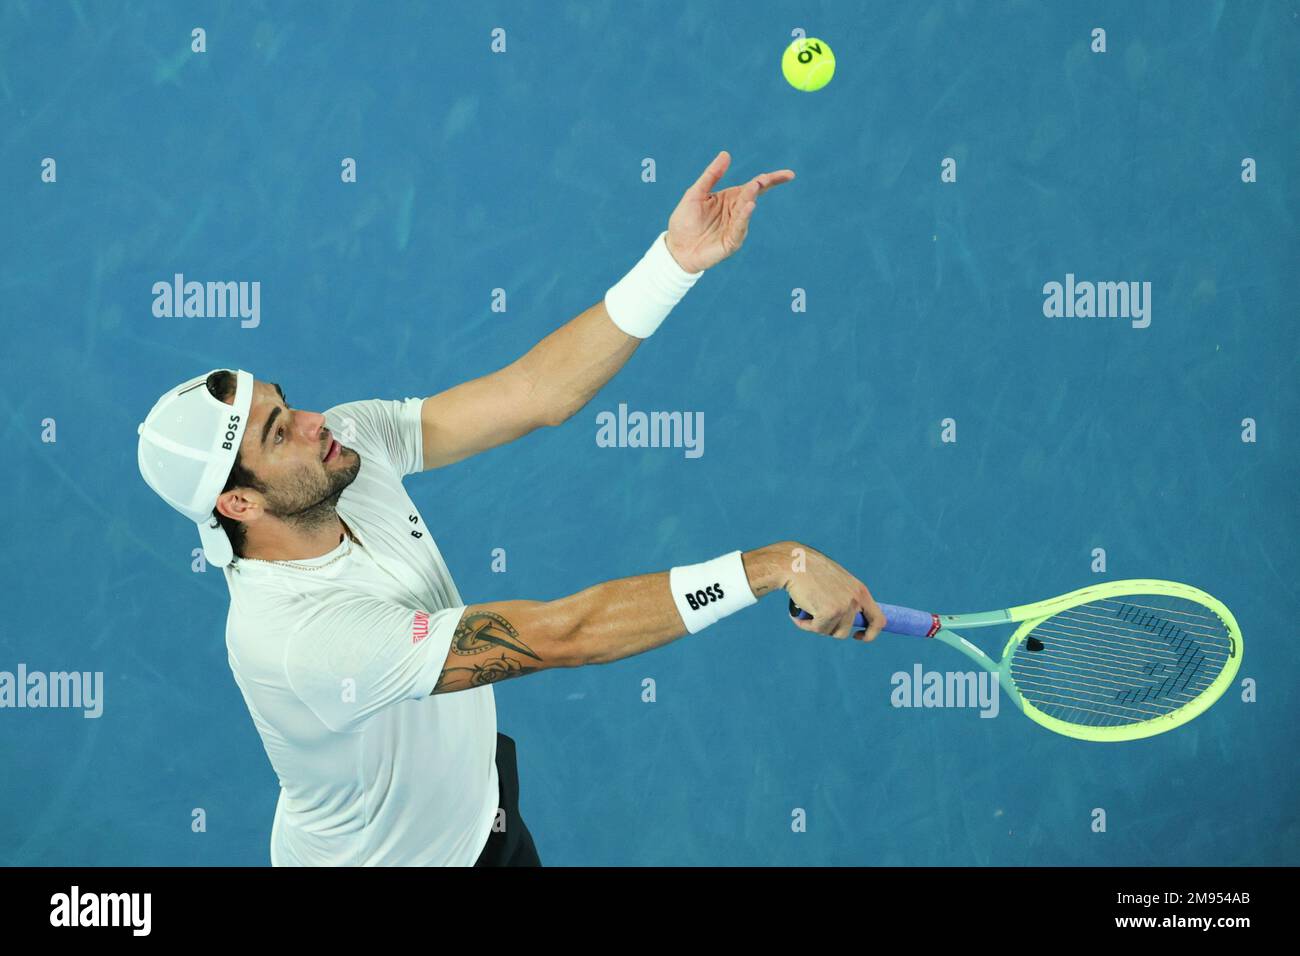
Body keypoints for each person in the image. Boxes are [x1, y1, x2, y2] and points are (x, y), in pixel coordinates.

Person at [135, 151, 885, 866]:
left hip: (477, 810)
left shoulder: (342, 450)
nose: (313, 422)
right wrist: (769, 567)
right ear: (238, 501)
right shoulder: (305, 640)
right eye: (279, 432)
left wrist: (673, 263)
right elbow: (566, 633)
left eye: (286, 402)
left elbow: (535, 393)